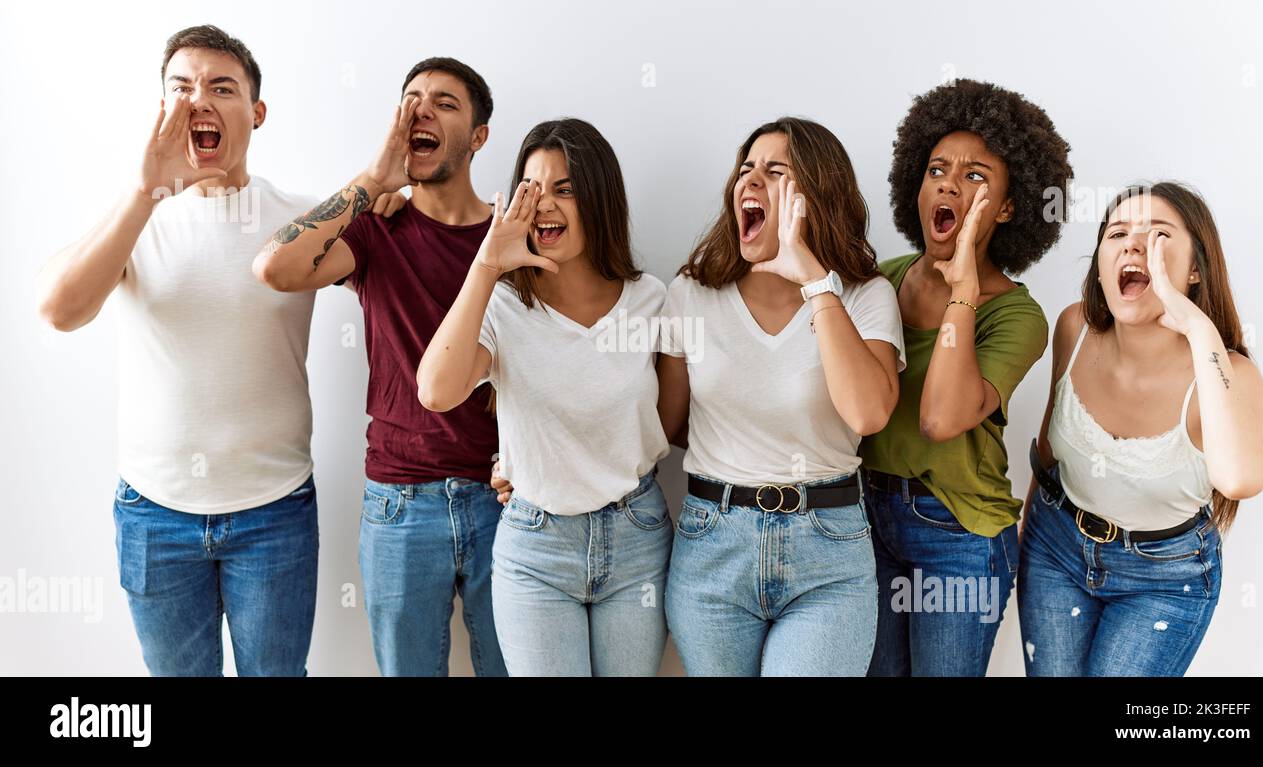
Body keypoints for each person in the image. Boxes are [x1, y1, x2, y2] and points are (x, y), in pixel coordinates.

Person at [36, 25, 320, 676]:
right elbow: (59, 308)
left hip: (273, 513)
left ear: (258, 112)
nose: (200, 100)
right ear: (162, 112)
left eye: (222, 87)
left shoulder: (302, 219)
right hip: (153, 519)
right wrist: (145, 190)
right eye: (181, 88)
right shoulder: (134, 219)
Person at [253, 57, 507, 677]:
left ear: (479, 136)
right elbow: (275, 267)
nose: (422, 110)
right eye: (411, 100)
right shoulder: (375, 229)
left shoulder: (511, 237)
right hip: (399, 500)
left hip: (505, 500)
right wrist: (371, 180)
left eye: (445, 103)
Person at [417, 118, 671, 676]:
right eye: (532, 189)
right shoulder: (503, 307)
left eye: (566, 188)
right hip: (536, 547)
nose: (546, 204)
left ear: (600, 198)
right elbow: (435, 391)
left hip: (636, 539)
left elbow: (672, 422)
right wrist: (487, 264)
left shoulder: (650, 300)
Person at [658, 117, 904, 676]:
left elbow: (867, 413)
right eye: (745, 169)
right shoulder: (691, 294)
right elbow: (667, 427)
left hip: (829, 548)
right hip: (713, 545)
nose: (750, 182)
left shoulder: (865, 296)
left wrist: (817, 283)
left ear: (816, 195)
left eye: (774, 172)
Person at [857, 79, 1073, 676]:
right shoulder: (881, 280)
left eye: (976, 175)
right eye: (936, 170)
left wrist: (963, 293)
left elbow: (939, 418)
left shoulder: (1017, 315)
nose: (948, 183)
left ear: (1007, 207)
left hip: (959, 533)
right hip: (868, 517)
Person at [1018, 182, 1263, 676]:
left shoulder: (1231, 374)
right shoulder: (1074, 328)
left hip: (1165, 579)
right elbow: (1048, 451)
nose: (1134, 245)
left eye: (1158, 236)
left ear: (1196, 269)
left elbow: (1241, 480)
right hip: (1056, 551)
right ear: (1100, 262)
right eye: (1117, 234)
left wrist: (1198, 328)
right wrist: (1029, 541)